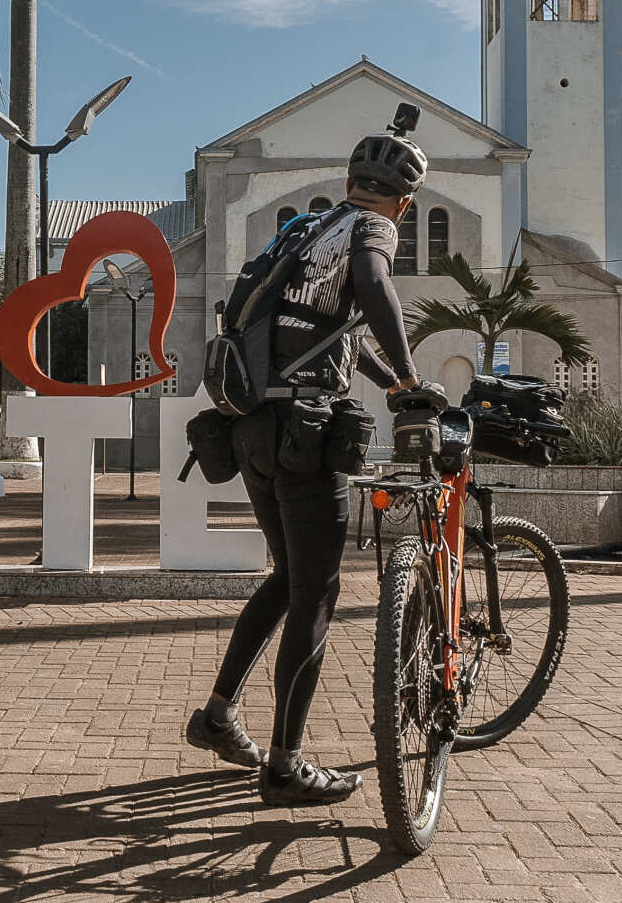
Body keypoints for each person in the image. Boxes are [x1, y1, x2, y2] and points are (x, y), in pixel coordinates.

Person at [185, 118, 444, 806]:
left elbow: (332, 334)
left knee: (286, 579)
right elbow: (376, 287)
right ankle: (285, 765)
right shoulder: (372, 228)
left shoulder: (308, 229)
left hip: (250, 428)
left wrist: (394, 379)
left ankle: (216, 718)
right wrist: (411, 378)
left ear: (350, 181)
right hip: (304, 435)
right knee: (317, 593)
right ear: (405, 202)